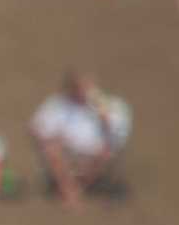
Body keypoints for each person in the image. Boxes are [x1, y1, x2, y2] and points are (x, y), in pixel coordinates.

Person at [29, 71, 131, 206]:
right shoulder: (58, 105)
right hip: (68, 152)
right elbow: (36, 129)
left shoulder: (110, 105)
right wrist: (53, 139)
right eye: (79, 88)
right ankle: (70, 191)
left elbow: (117, 134)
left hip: (96, 152)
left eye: (87, 88)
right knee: (51, 149)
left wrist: (103, 115)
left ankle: (77, 189)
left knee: (106, 152)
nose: (83, 92)